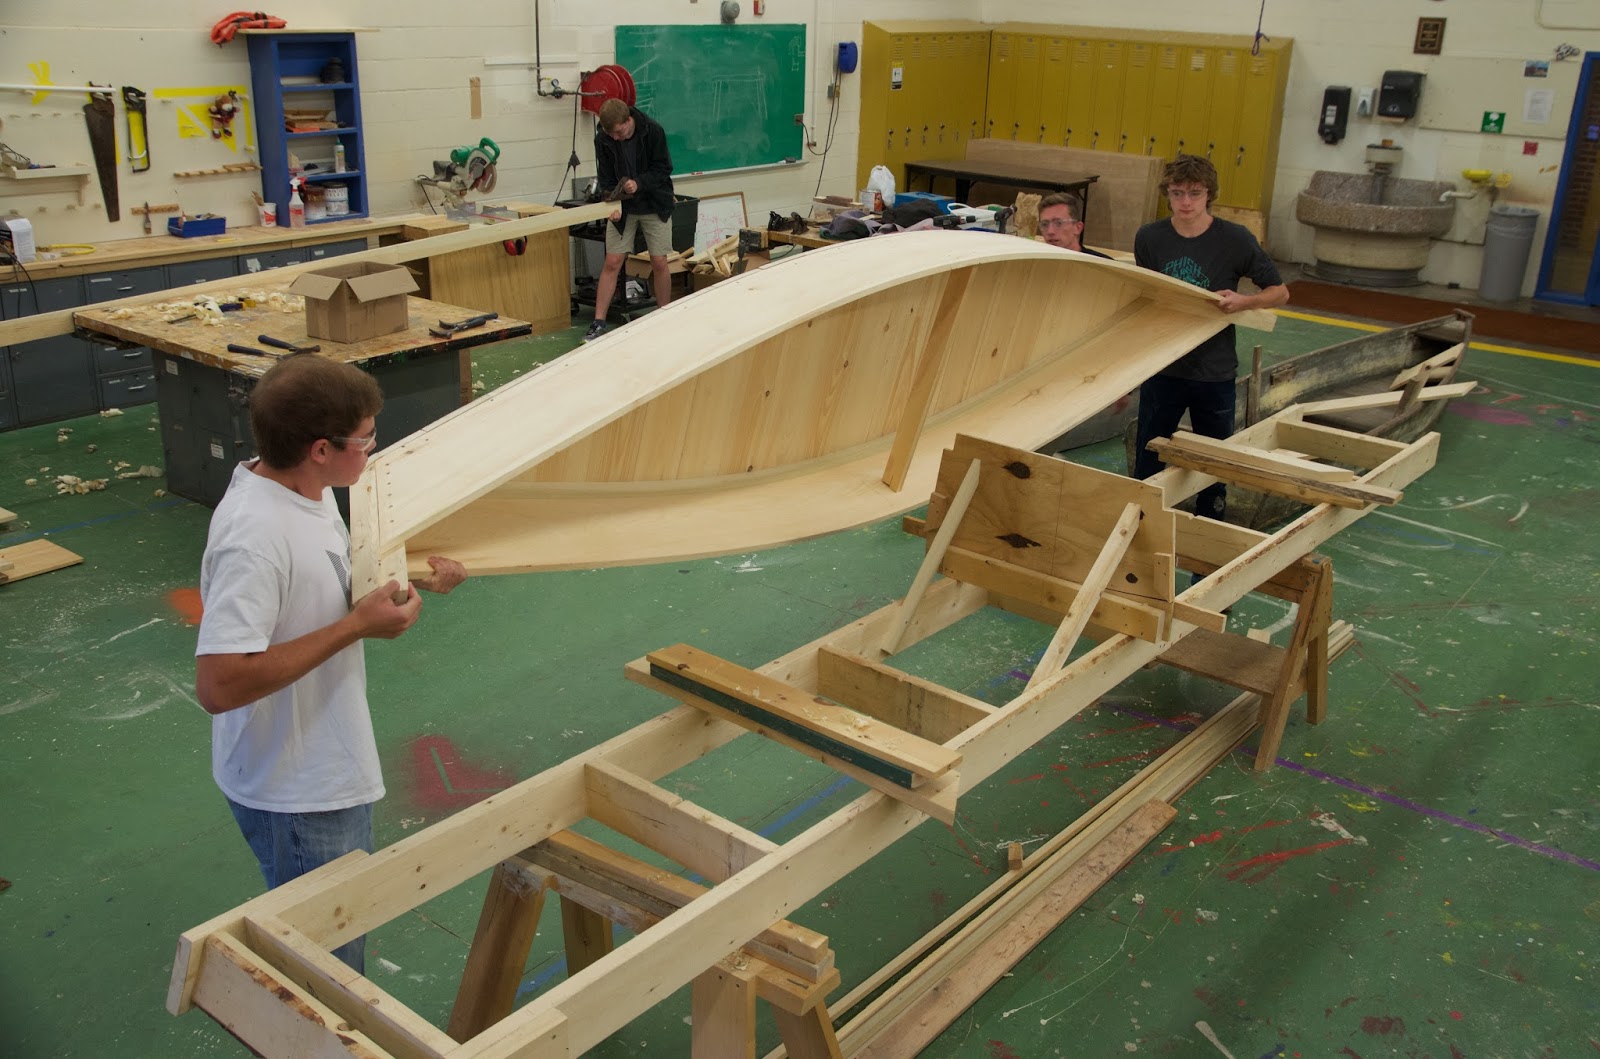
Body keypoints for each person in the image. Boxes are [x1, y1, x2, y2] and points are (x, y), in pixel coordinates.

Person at [194, 354, 466, 973]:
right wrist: (356, 627)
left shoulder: (307, 493)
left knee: (338, 948)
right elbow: (219, 683)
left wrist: (408, 575)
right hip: (298, 790)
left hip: (323, 758)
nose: (374, 450)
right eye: (367, 439)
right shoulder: (254, 537)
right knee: (324, 976)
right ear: (321, 447)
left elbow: (318, 591)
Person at [1132, 154, 1289, 521]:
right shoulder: (1150, 238)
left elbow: (1279, 292)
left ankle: (1208, 543)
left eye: (1195, 193)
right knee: (1148, 462)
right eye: (1177, 193)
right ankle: (1141, 531)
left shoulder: (1234, 239)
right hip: (1163, 368)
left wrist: (1244, 301)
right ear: (1166, 194)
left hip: (1213, 373)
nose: (1186, 202)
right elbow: (1146, 295)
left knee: (1213, 470)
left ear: (1209, 195)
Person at [588, 98, 676, 342]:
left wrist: (640, 183)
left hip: (654, 202)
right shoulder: (603, 139)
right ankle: (598, 321)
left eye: (619, 132)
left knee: (659, 261)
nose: (615, 138)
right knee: (613, 261)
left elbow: (663, 169)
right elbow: (605, 175)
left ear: (629, 120)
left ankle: (664, 315)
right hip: (622, 207)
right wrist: (610, 200)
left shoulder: (653, 131)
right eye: (610, 134)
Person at [1036, 192, 1108, 258]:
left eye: (1059, 223)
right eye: (1044, 224)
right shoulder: (1035, 262)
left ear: (1078, 228)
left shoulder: (1103, 265)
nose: (1050, 231)